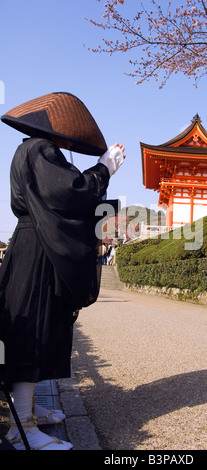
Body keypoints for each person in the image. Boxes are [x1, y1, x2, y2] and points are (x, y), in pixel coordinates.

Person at [0, 92, 125, 450]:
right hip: (39, 249)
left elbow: (64, 198)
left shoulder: (31, 149)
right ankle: (21, 428)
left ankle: (31, 409)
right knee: (31, 332)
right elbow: (71, 195)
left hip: (34, 243)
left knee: (38, 326)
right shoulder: (40, 149)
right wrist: (104, 169)